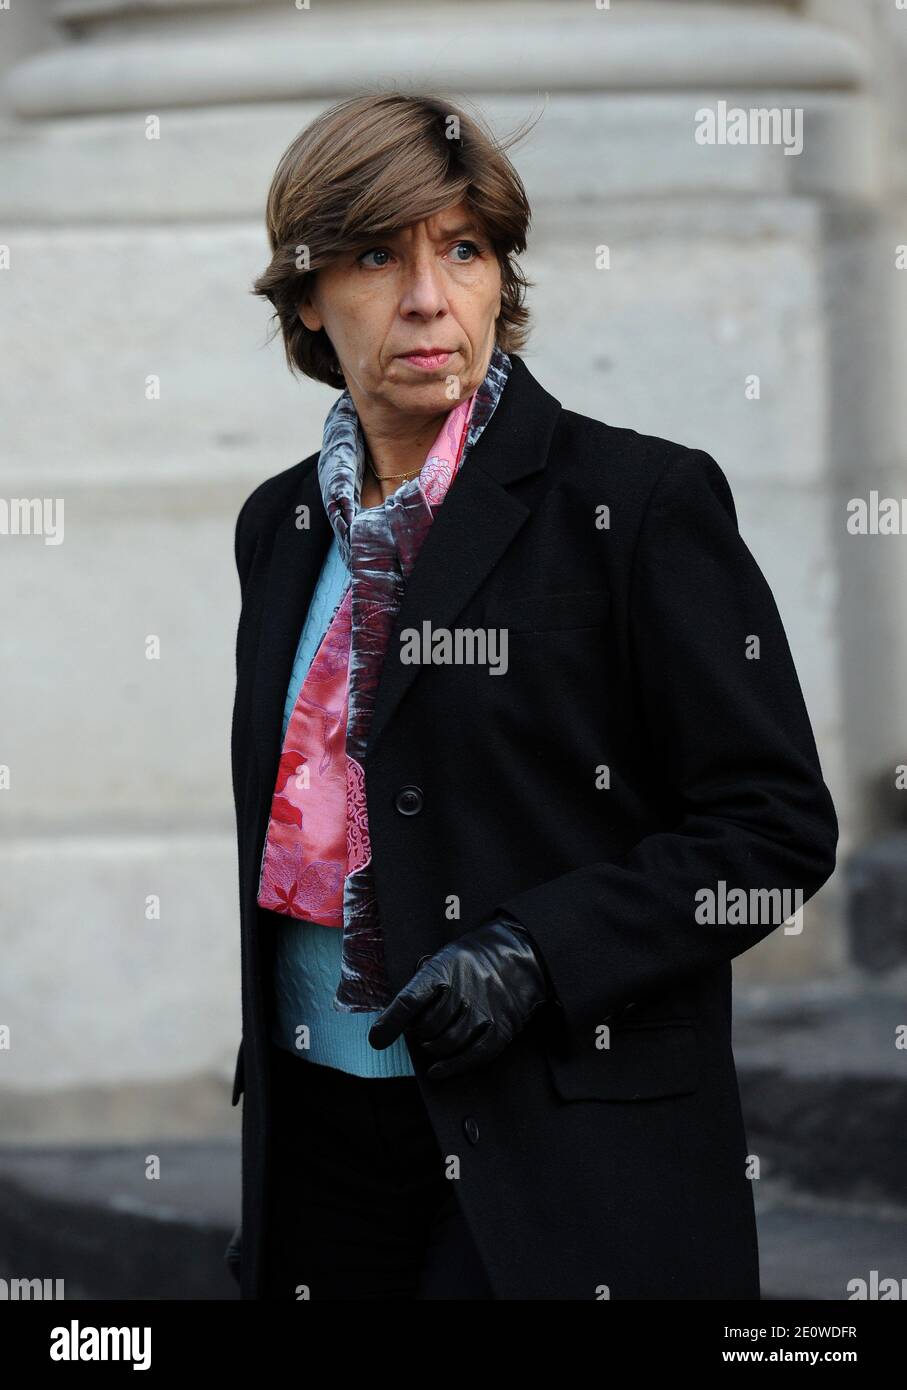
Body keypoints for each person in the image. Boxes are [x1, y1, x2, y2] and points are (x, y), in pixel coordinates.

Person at [226, 90, 838, 1300]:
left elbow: (773, 831)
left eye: (461, 249)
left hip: (562, 1154)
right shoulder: (282, 524)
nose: (425, 297)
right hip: (321, 1149)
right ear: (305, 298)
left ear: (502, 279)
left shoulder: (640, 503)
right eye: (372, 256)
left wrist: (533, 953)